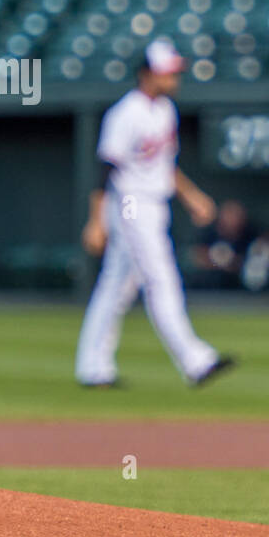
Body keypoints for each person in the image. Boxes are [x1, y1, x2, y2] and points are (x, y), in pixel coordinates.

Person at [74, 38, 236, 388]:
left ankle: (92, 366)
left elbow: (164, 167)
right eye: (168, 71)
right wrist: (96, 220)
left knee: (115, 286)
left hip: (155, 202)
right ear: (148, 73)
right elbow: (106, 169)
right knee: (161, 278)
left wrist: (192, 197)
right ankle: (196, 360)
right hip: (131, 204)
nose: (174, 77)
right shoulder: (125, 112)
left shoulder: (165, 110)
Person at [189, 199, 269, 291]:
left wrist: (243, 262)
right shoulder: (211, 233)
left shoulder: (252, 231)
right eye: (228, 215)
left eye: (236, 215)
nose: (232, 219)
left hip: (247, 278)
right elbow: (198, 257)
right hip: (217, 281)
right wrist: (222, 263)